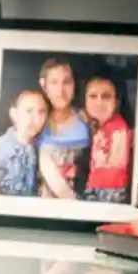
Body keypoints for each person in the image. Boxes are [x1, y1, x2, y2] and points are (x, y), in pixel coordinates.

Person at [36, 59, 91, 200]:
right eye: (54, 82)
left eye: (67, 82)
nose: (61, 90)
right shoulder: (37, 120)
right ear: (43, 85)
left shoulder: (86, 119)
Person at [82, 76, 132, 203]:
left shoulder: (118, 127)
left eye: (106, 96)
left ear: (116, 102)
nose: (99, 102)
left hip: (110, 191)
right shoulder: (86, 125)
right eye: (93, 96)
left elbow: (114, 162)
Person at [0, 88, 48, 196]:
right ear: (14, 113)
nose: (36, 119)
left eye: (41, 112)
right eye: (29, 111)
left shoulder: (44, 150)